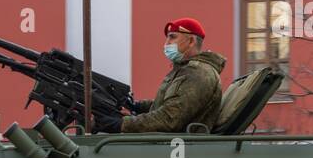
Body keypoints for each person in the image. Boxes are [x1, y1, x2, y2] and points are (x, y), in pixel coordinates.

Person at [97, 17, 226, 134]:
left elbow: (169, 119)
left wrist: (120, 124)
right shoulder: (184, 69)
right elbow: (167, 104)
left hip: (180, 148)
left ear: (191, 41)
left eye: (172, 37)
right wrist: (135, 106)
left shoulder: (199, 74)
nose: (166, 43)